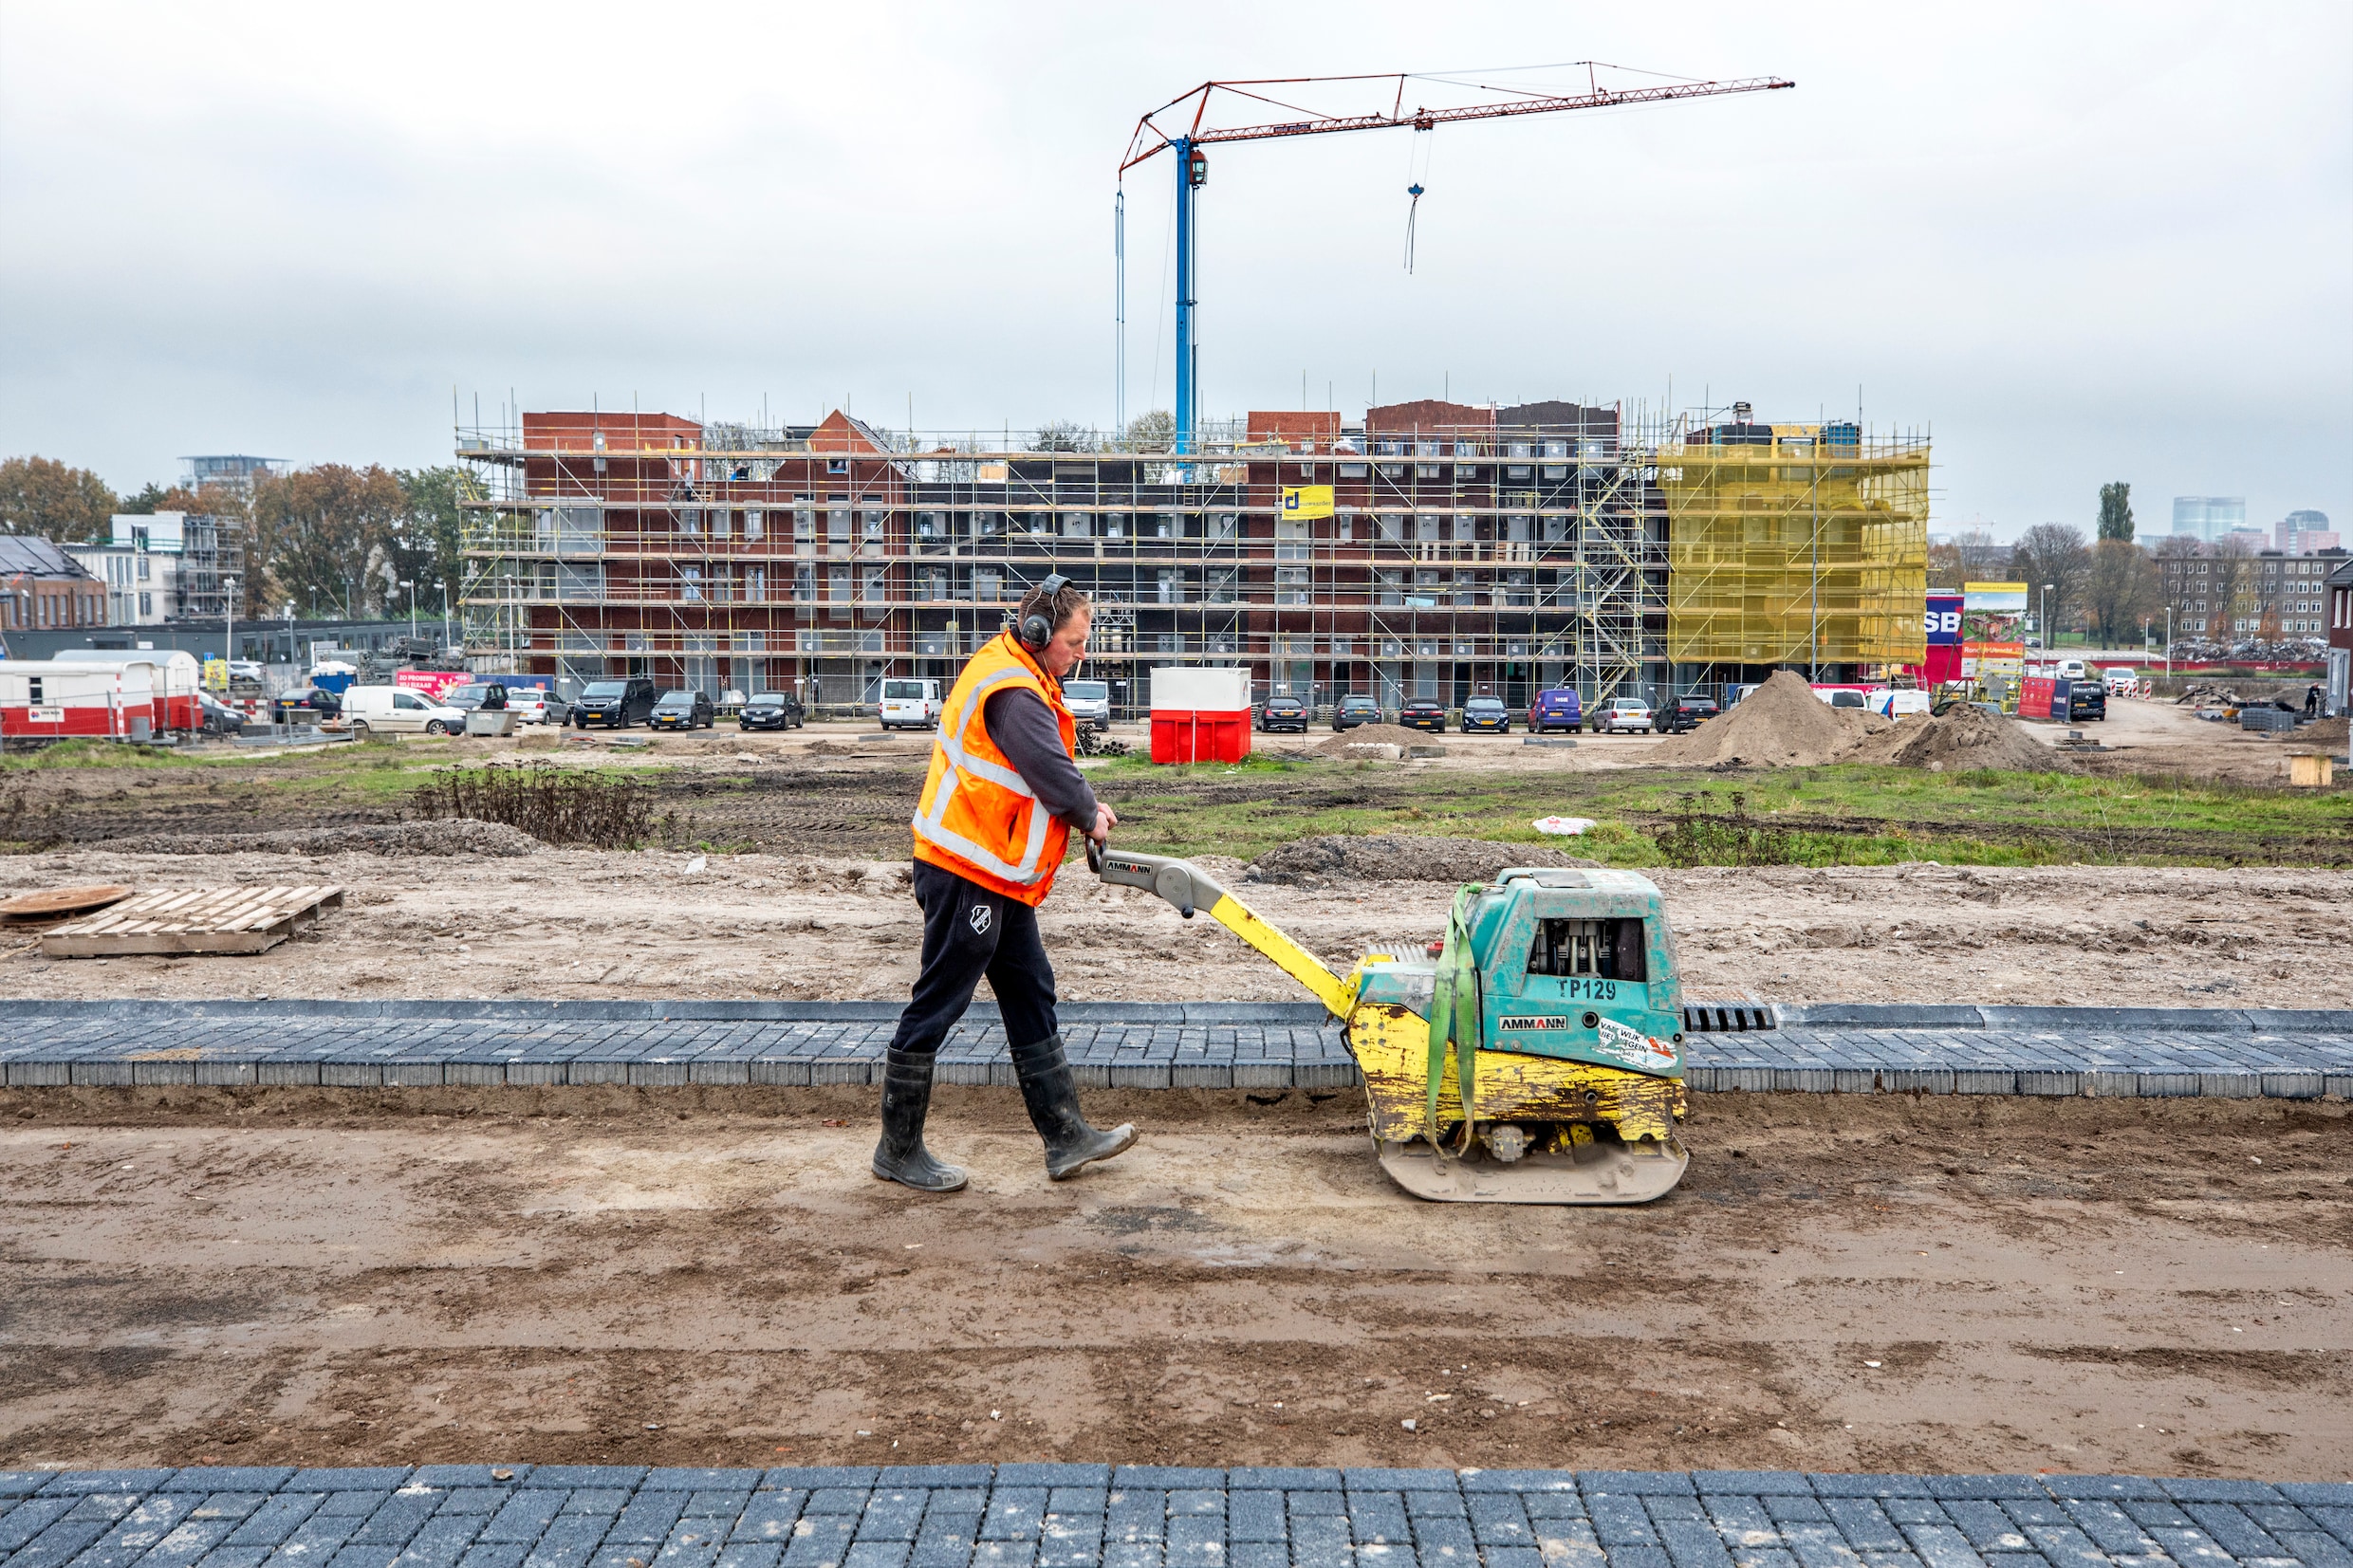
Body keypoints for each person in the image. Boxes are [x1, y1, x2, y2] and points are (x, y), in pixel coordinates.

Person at [872, 576, 1133, 1193]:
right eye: (1075, 641)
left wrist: (1085, 805)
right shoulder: (1012, 691)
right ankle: (897, 1148)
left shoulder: (1021, 671)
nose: (1082, 652)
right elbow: (1048, 771)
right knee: (940, 1000)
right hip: (966, 873)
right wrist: (1089, 812)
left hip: (996, 875)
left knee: (1030, 990)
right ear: (1040, 636)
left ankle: (1066, 1136)